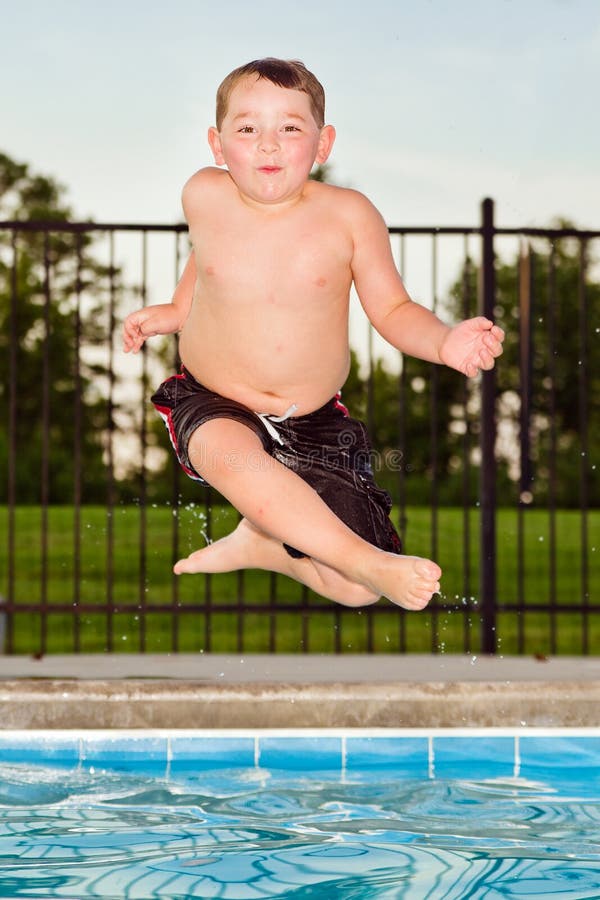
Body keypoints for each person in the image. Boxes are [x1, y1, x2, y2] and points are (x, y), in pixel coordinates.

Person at [123, 57, 504, 612]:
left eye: (290, 128)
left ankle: (267, 543)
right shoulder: (205, 194)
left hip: (315, 421)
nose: (268, 145)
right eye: (248, 128)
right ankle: (364, 560)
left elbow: (394, 308)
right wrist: (176, 311)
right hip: (213, 399)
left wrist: (444, 342)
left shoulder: (349, 216)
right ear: (216, 142)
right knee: (234, 457)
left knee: (354, 592)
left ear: (323, 144)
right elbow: (207, 259)